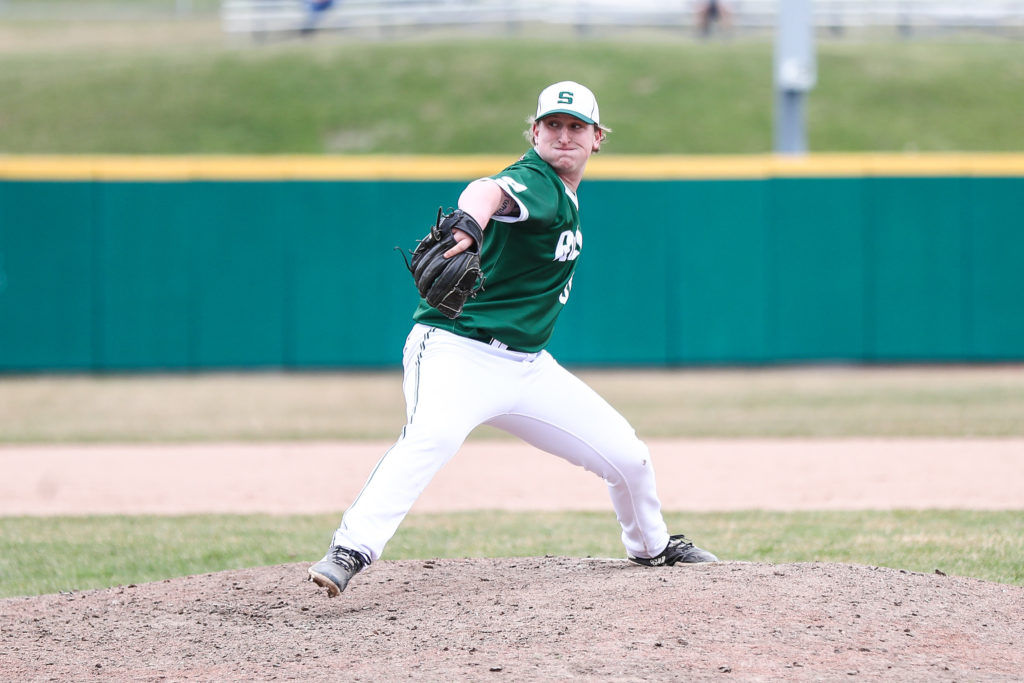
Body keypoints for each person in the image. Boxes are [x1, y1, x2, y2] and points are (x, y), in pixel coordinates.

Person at [308, 80, 718, 598]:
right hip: (456, 350)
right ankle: (351, 549)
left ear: (597, 138)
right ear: (535, 132)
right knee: (433, 436)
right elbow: (489, 190)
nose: (563, 135)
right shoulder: (536, 181)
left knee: (628, 456)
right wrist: (468, 224)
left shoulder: (563, 195)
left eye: (576, 126)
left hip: (526, 367)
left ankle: (650, 545)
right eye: (552, 125)